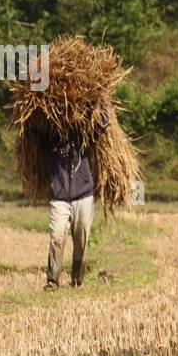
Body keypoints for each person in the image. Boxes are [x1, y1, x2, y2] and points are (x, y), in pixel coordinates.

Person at [33, 102, 110, 290]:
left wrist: (101, 103)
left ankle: (77, 278)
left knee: (81, 239)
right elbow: (29, 130)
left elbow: (102, 124)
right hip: (58, 197)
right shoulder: (47, 138)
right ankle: (52, 280)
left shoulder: (80, 135)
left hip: (83, 194)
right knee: (57, 236)